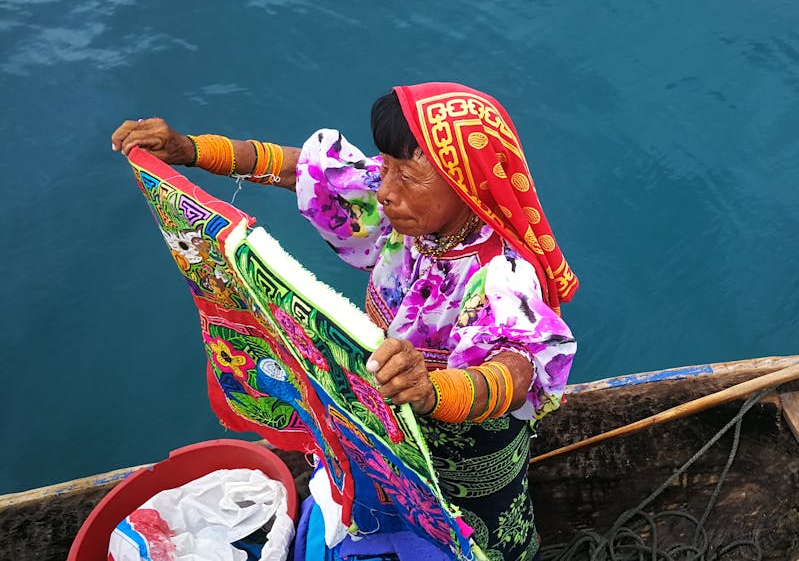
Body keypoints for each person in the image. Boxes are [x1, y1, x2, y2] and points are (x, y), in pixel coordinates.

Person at [111, 82, 580, 561]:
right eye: (387, 167)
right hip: (391, 418)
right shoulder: (414, 212)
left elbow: (516, 369)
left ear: (467, 184)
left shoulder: (502, 275)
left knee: (480, 542)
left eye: (407, 175)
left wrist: (432, 390)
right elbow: (302, 168)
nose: (385, 190)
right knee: (391, 508)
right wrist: (189, 149)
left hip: (468, 456)